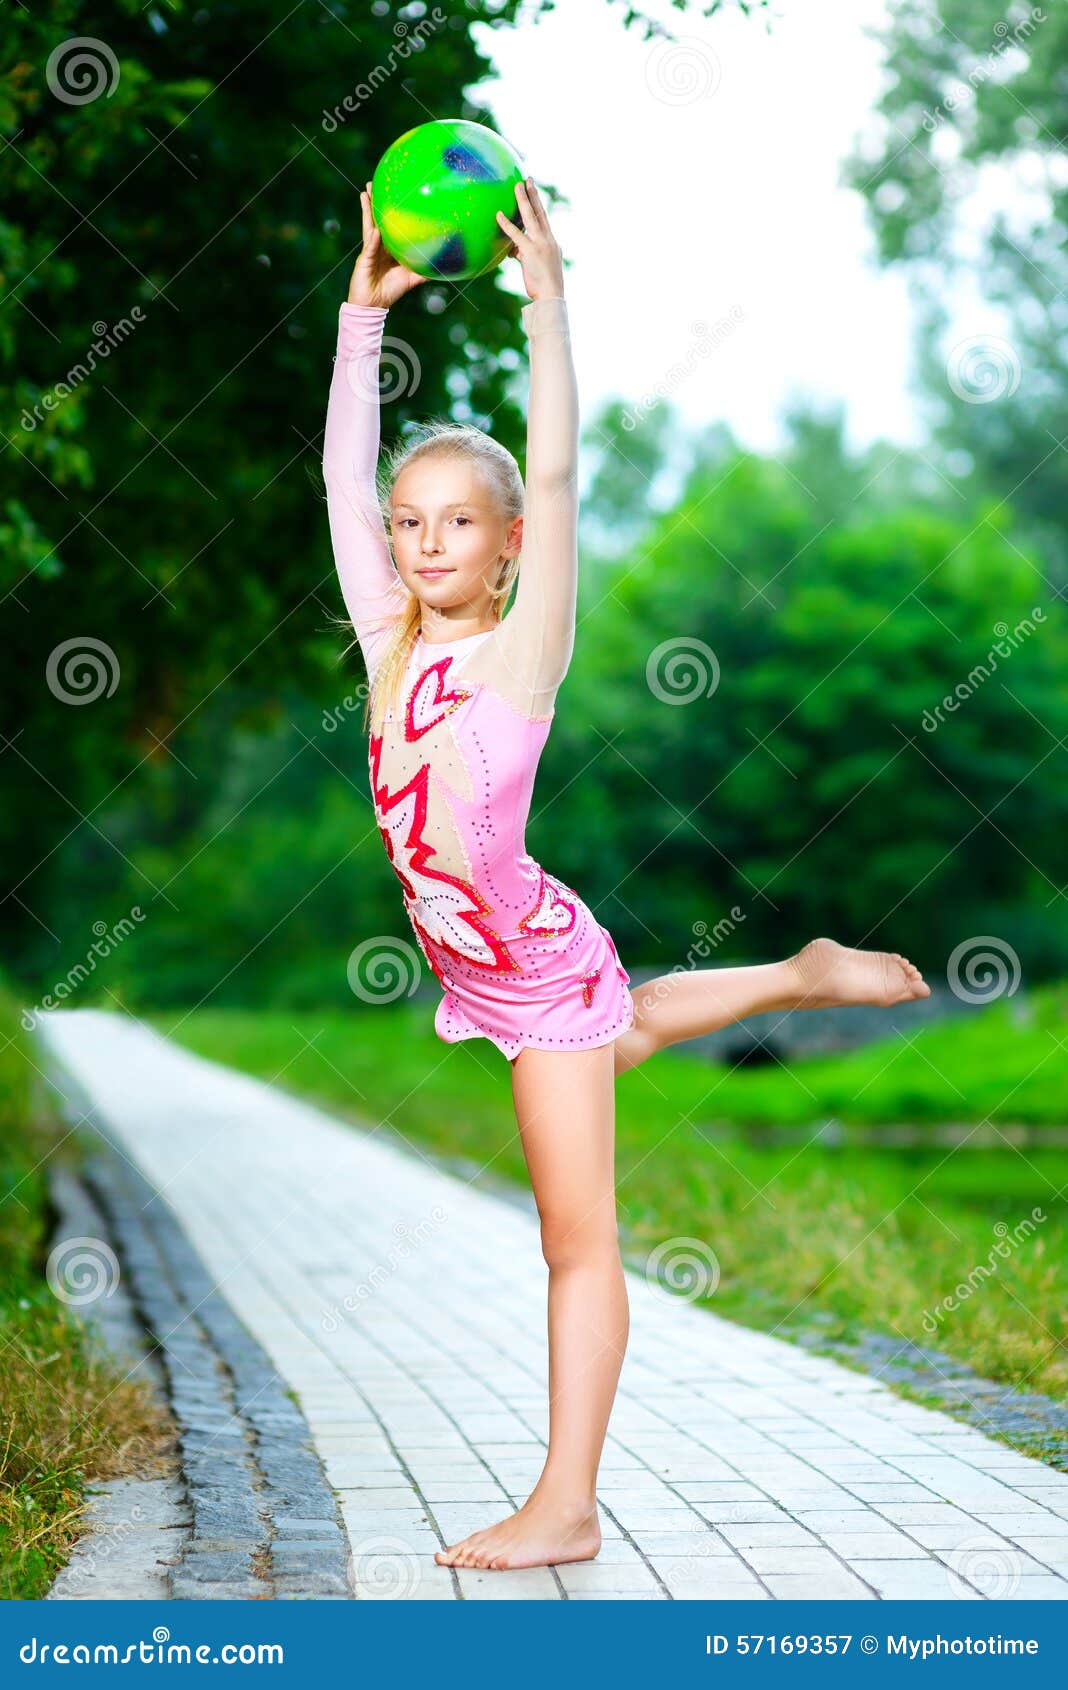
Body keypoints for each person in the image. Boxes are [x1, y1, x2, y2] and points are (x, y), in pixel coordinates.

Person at [321, 176, 930, 1573]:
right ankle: (802, 971)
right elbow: (340, 488)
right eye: (412, 525)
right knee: (636, 1020)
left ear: (508, 548)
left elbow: (554, 473)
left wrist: (547, 310)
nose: (423, 543)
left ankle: (567, 1502)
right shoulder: (393, 638)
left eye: (456, 525)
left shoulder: (515, 657)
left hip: (532, 969)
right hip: (499, 957)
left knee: (577, 1239)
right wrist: (361, 320)